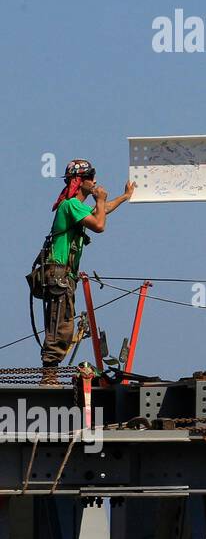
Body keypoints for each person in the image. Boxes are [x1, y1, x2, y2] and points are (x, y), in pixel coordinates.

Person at [37, 160, 135, 382]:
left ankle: (50, 372)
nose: (95, 181)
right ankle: (49, 374)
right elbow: (99, 225)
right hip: (59, 274)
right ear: (80, 181)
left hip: (64, 275)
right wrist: (99, 198)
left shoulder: (76, 207)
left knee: (64, 322)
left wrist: (123, 197)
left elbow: (102, 211)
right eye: (91, 177)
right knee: (60, 324)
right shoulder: (70, 205)